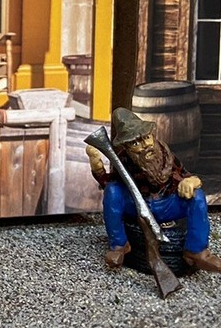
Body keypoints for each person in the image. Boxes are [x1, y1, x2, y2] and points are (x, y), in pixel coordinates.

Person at [87, 107, 221, 271]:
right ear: (127, 147)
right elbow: (110, 186)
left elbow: (185, 175)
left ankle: (196, 251)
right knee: (113, 191)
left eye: (146, 138)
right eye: (135, 143)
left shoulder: (165, 155)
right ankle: (119, 245)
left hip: (167, 203)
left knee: (197, 197)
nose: (144, 146)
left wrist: (192, 181)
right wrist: (98, 169)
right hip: (137, 207)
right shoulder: (124, 161)